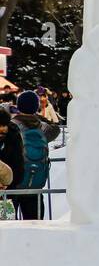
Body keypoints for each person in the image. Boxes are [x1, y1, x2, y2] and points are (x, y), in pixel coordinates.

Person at [10, 90, 59, 220]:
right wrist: (38, 116)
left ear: (18, 106)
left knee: (7, 227)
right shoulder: (43, 128)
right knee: (34, 224)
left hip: (12, 184)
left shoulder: (11, 126)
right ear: (36, 106)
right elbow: (56, 127)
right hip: (35, 185)